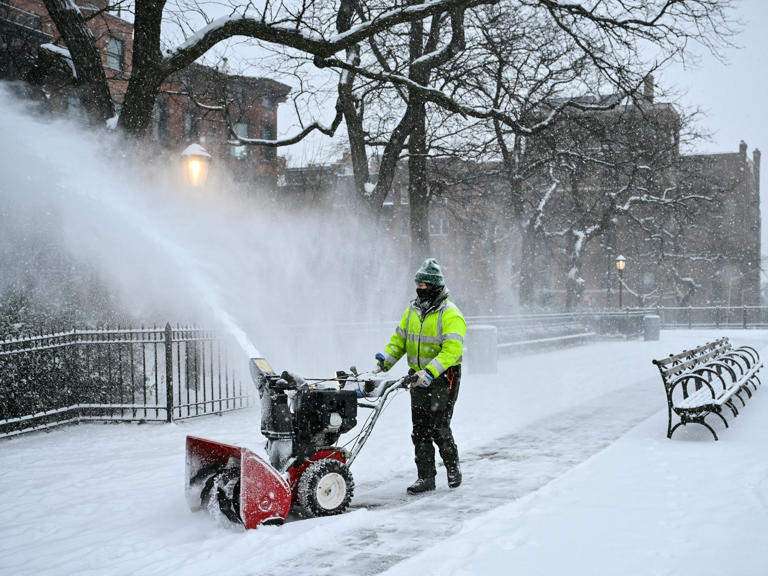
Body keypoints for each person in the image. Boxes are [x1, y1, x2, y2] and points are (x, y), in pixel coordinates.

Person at [374, 258, 466, 494]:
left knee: (439, 427)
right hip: (417, 378)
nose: (419, 289)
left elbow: (452, 351)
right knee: (420, 429)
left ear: (434, 286)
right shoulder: (412, 311)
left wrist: (430, 371)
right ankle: (426, 477)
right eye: (417, 284)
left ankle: (452, 467)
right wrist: (385, 360)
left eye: (423, 285)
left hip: (444, 378)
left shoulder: (450, 314)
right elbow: (400, 340)